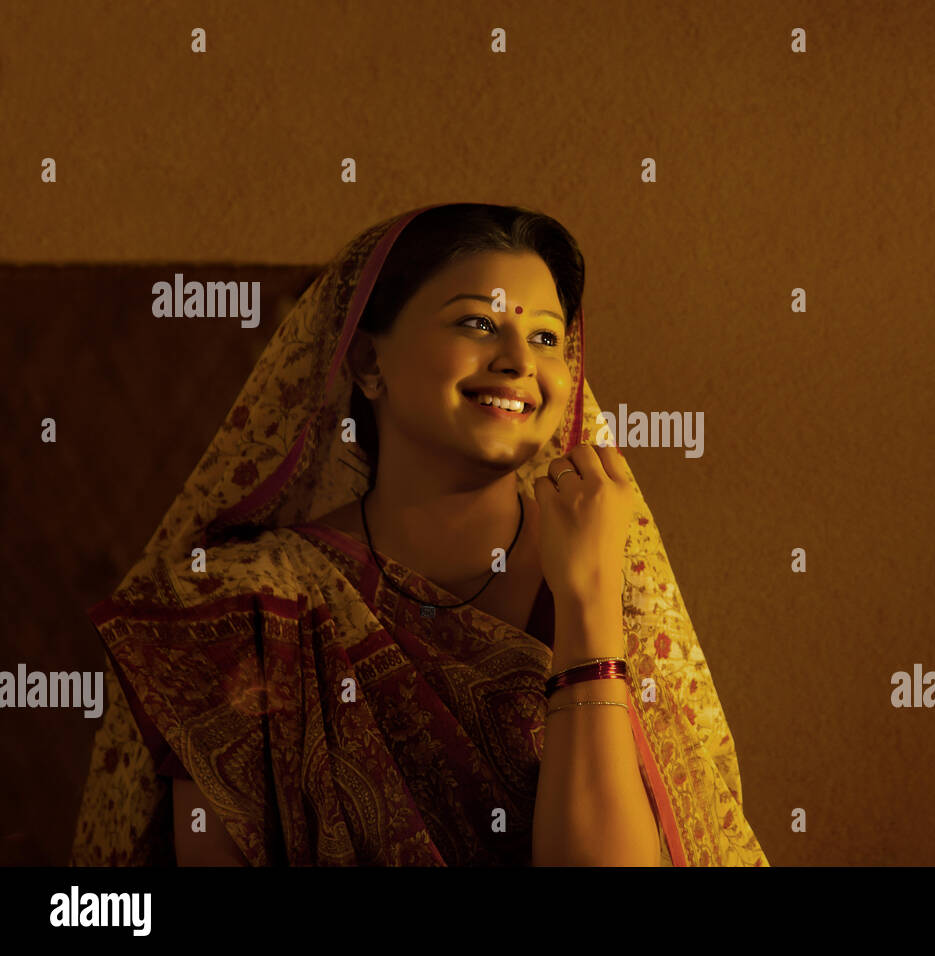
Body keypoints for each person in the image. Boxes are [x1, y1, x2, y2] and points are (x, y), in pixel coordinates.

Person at [69, 202, 768, 866]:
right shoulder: (244, 610)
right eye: (478, 324)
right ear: (369, 363)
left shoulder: (611, 576)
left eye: (548, 336)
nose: (520, 361)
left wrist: (588, 604)